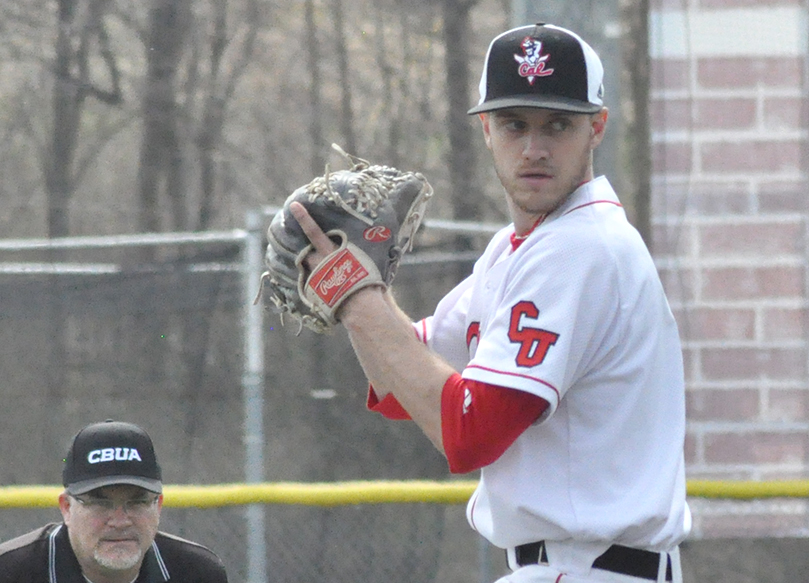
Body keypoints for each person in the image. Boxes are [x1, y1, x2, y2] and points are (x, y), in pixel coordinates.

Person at [291, 23, 690, 583]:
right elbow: (405, 380)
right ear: (485, 130)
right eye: (514, 124)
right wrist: (364, 293)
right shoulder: (516, 248)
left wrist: (357, 300)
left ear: (596, 127)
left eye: (558, 124)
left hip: (593, 567)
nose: (534, 148)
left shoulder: (583, 246)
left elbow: (469, 432)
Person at [0, 420, 229, 583]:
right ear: (67, 508)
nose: (120, 521)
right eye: (100, 503)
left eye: (137, 502)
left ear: (158, 506)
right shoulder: (11, 572)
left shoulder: (196, 573)